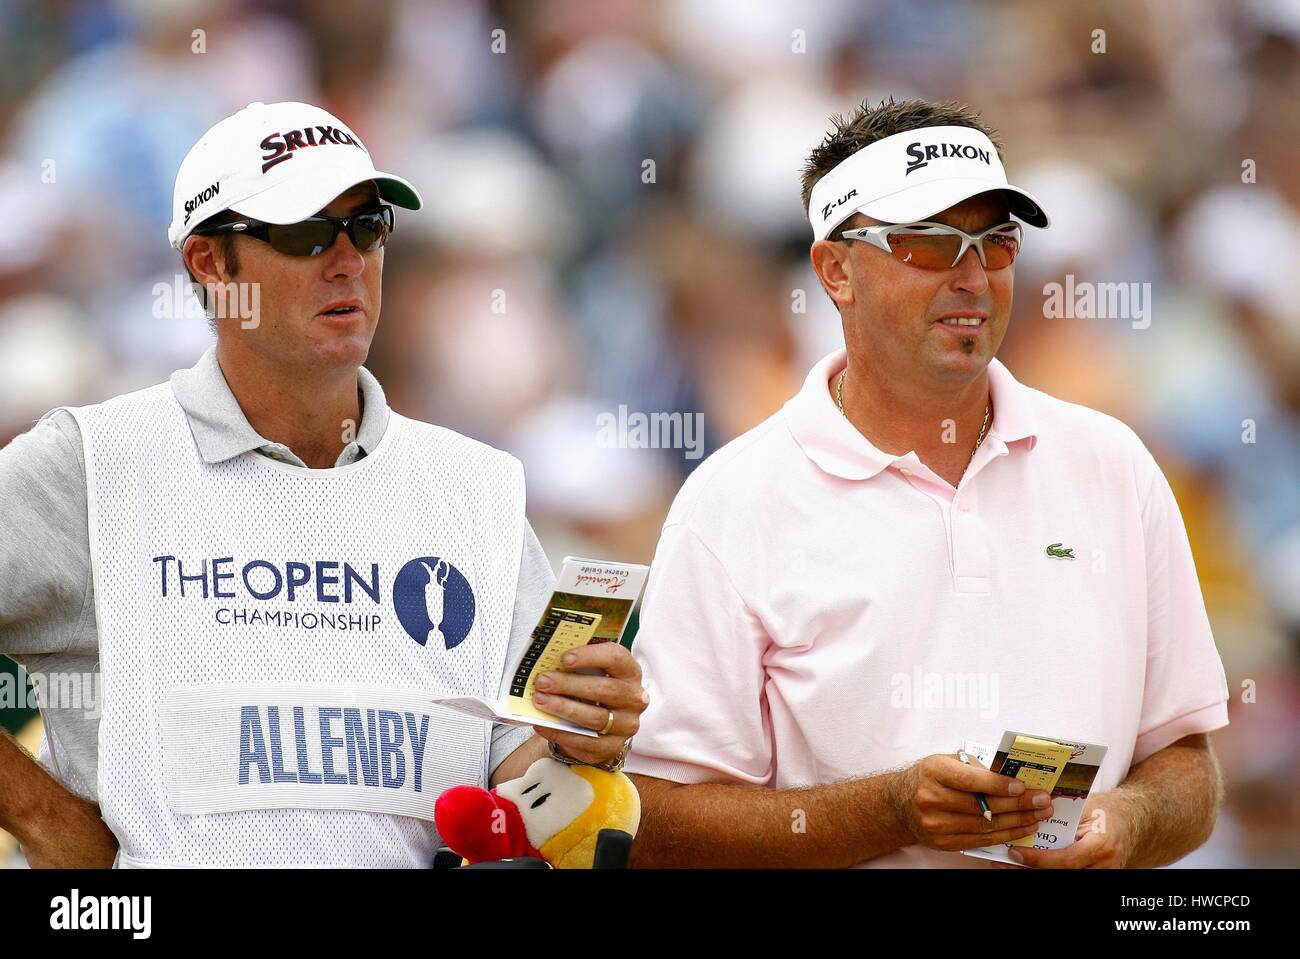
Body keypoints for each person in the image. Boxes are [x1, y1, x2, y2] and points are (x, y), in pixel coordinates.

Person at [0, 101, 645, 868]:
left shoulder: (478, 485)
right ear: (209, 264)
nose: (347, 260)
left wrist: (581, 740)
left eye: (366, 227)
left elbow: (513, 765)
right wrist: (47, 820)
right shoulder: (96, 461)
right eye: (307, 233)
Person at [622, 98, 1229, 868]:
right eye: (930, 245)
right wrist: (892, 812)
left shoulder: (1114, 464)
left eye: (995, 243)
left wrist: (1129, 821)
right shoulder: (731, 502)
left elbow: (1188, 766)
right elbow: (659, 823)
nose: (972, 277)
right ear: (836, 270)